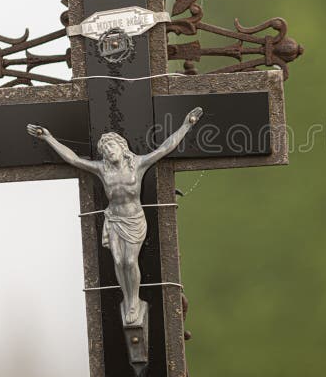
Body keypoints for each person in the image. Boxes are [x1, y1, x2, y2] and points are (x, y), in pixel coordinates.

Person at [27, 107, 203, 325]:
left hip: (134, 219)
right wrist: (49, 138)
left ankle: (134, 301)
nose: (108, 151)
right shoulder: (102, 169)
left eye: (111, 146)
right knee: (118, 261)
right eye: (105, 149)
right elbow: (73, 159)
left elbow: (165, 148)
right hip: (114, 219)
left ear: (122, 147)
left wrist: (187, 125)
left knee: (130, 260)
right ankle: (128, 299)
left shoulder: (137, 164)